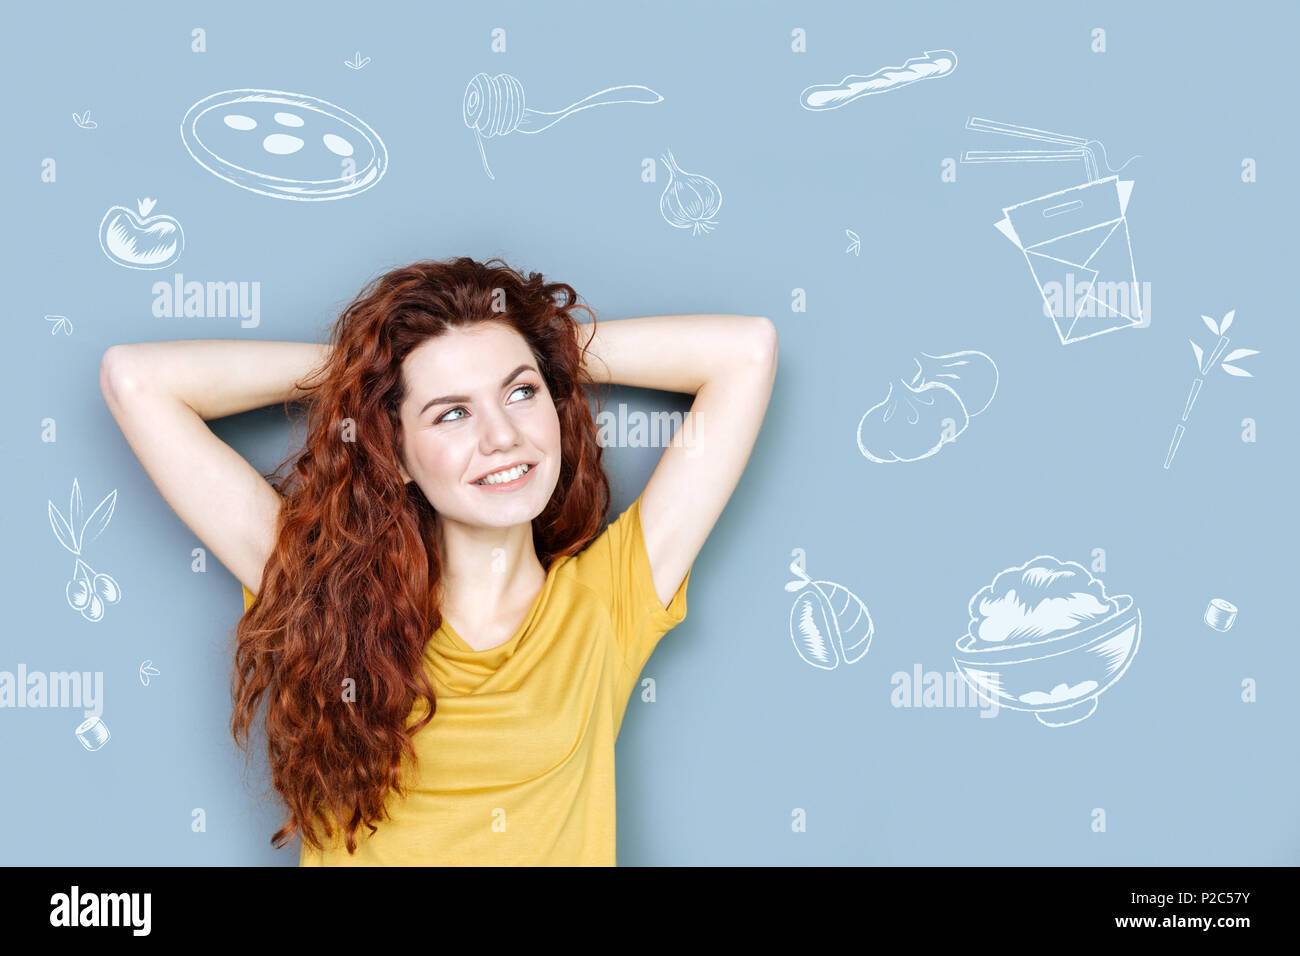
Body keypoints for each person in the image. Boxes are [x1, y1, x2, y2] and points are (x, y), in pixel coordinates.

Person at [99, 256, 777, 865]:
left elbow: (746, 353)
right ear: (394, 452)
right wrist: (364, 371)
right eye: (451, 414)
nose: (502, 436)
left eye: (521, 392)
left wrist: (541, 344)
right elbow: (136, 381)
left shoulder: (607, 601)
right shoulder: (323, 588)